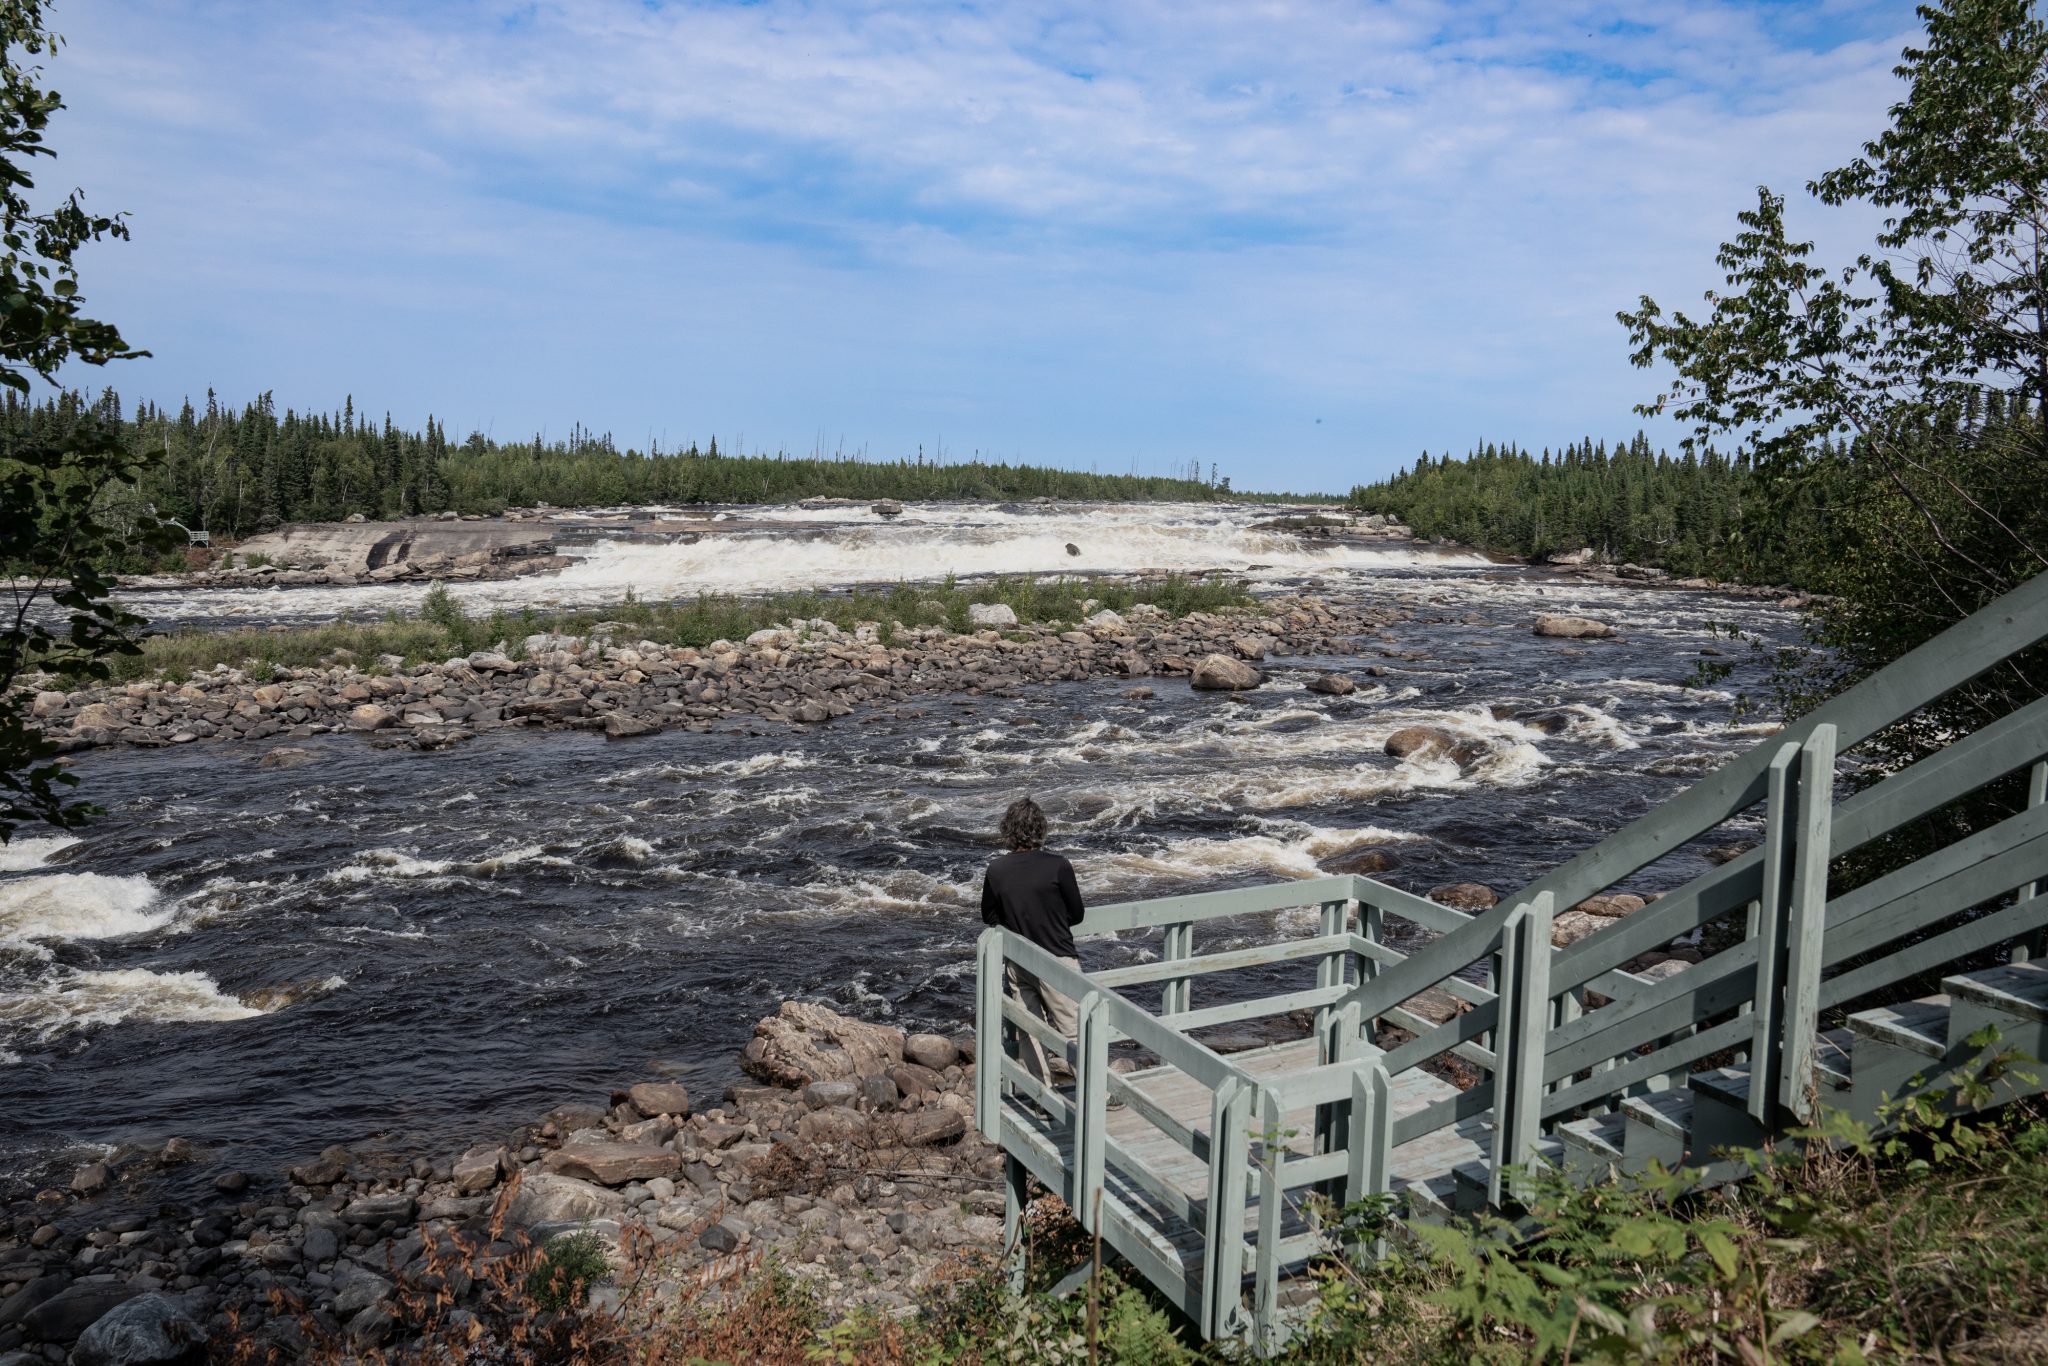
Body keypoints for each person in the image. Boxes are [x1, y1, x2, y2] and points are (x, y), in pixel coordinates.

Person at [980, 796, 1085, 1085]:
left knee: (1030, 1031)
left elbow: (989, 916)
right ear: (1040, 829)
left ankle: (1041, 1094)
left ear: (1008, 830)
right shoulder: (1059, 866)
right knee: (1075, 1032)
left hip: (1020, 960)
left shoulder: (996, 870)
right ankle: (1097, 1095)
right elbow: (1077, 914)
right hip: (1058, 958)